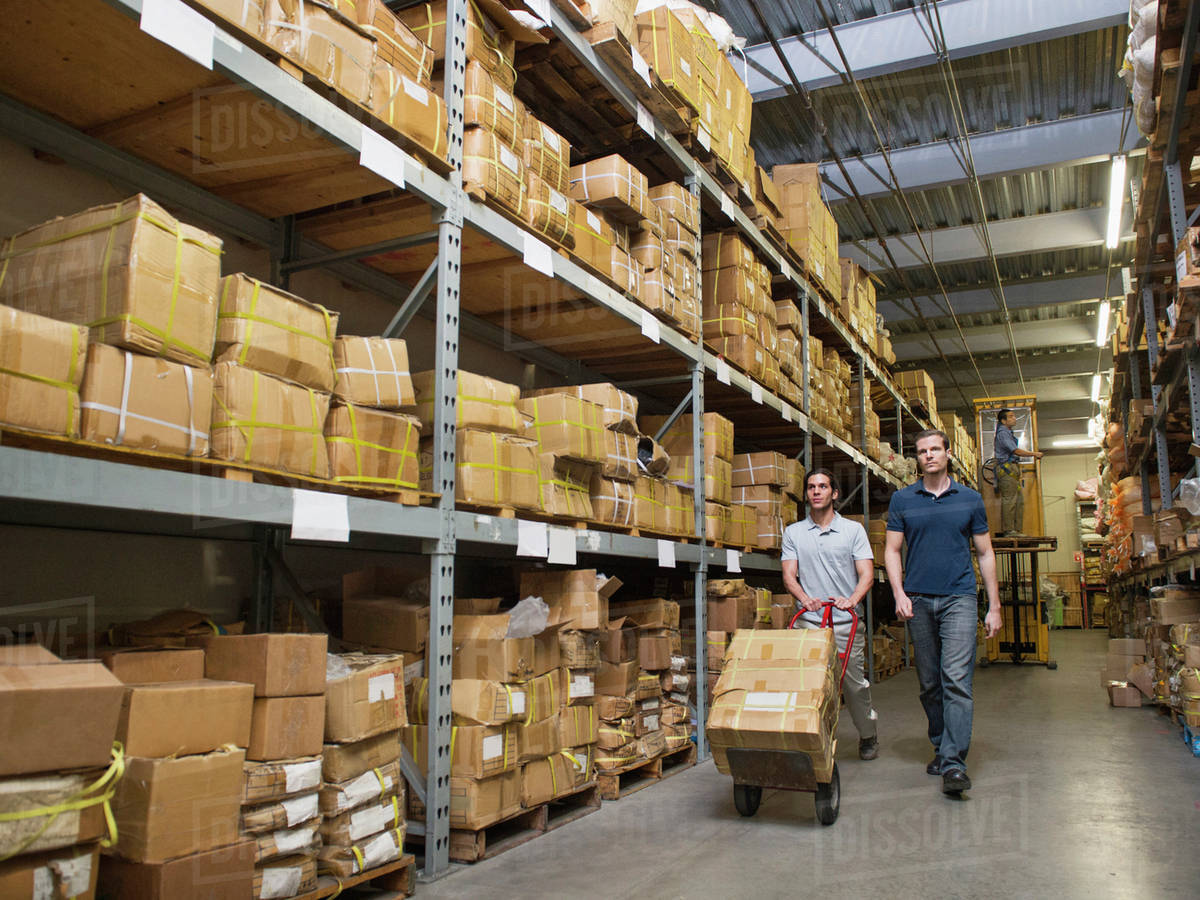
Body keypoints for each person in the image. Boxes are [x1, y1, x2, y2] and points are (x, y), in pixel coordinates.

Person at [884, 429, 1001, 795]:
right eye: (922, 451)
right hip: (918, 600)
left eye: (935, 449)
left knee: (956, 680)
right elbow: (891, 550)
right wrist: (899, 593)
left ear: (947, 454)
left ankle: (953, 764)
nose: (929, 455)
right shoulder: (903, 499)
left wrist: (994, 606)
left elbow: (985, 553)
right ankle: (941, 744)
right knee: (930, 683)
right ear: (917, 458)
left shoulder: (969, 499)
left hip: (959, 598)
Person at [781, 468, 879, 761]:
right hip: (809, 622)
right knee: (807, 685)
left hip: (845, 622)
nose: (816, 491)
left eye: (823, 486)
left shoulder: (853, 531)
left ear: (834, 493)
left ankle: (868, 734)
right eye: (811, 486)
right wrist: (805, 599)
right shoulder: (794, 532)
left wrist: (852, 600)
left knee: (853, 685)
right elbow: (789, 575)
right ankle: (812, 740)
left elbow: (867, 574)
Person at [994, 408, 1043, 536]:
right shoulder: (1003, 433)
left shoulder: (1008, 433)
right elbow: (1016, 451)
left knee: (1018, 500)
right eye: (1011, 416)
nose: (1014, 418)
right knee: (1010, 500)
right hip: (1007, 469)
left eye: (1014, 416)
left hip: (1011, 468)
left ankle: (1016, 530)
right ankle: (1009, 530)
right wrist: (1034, 454)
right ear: (1003, 420)